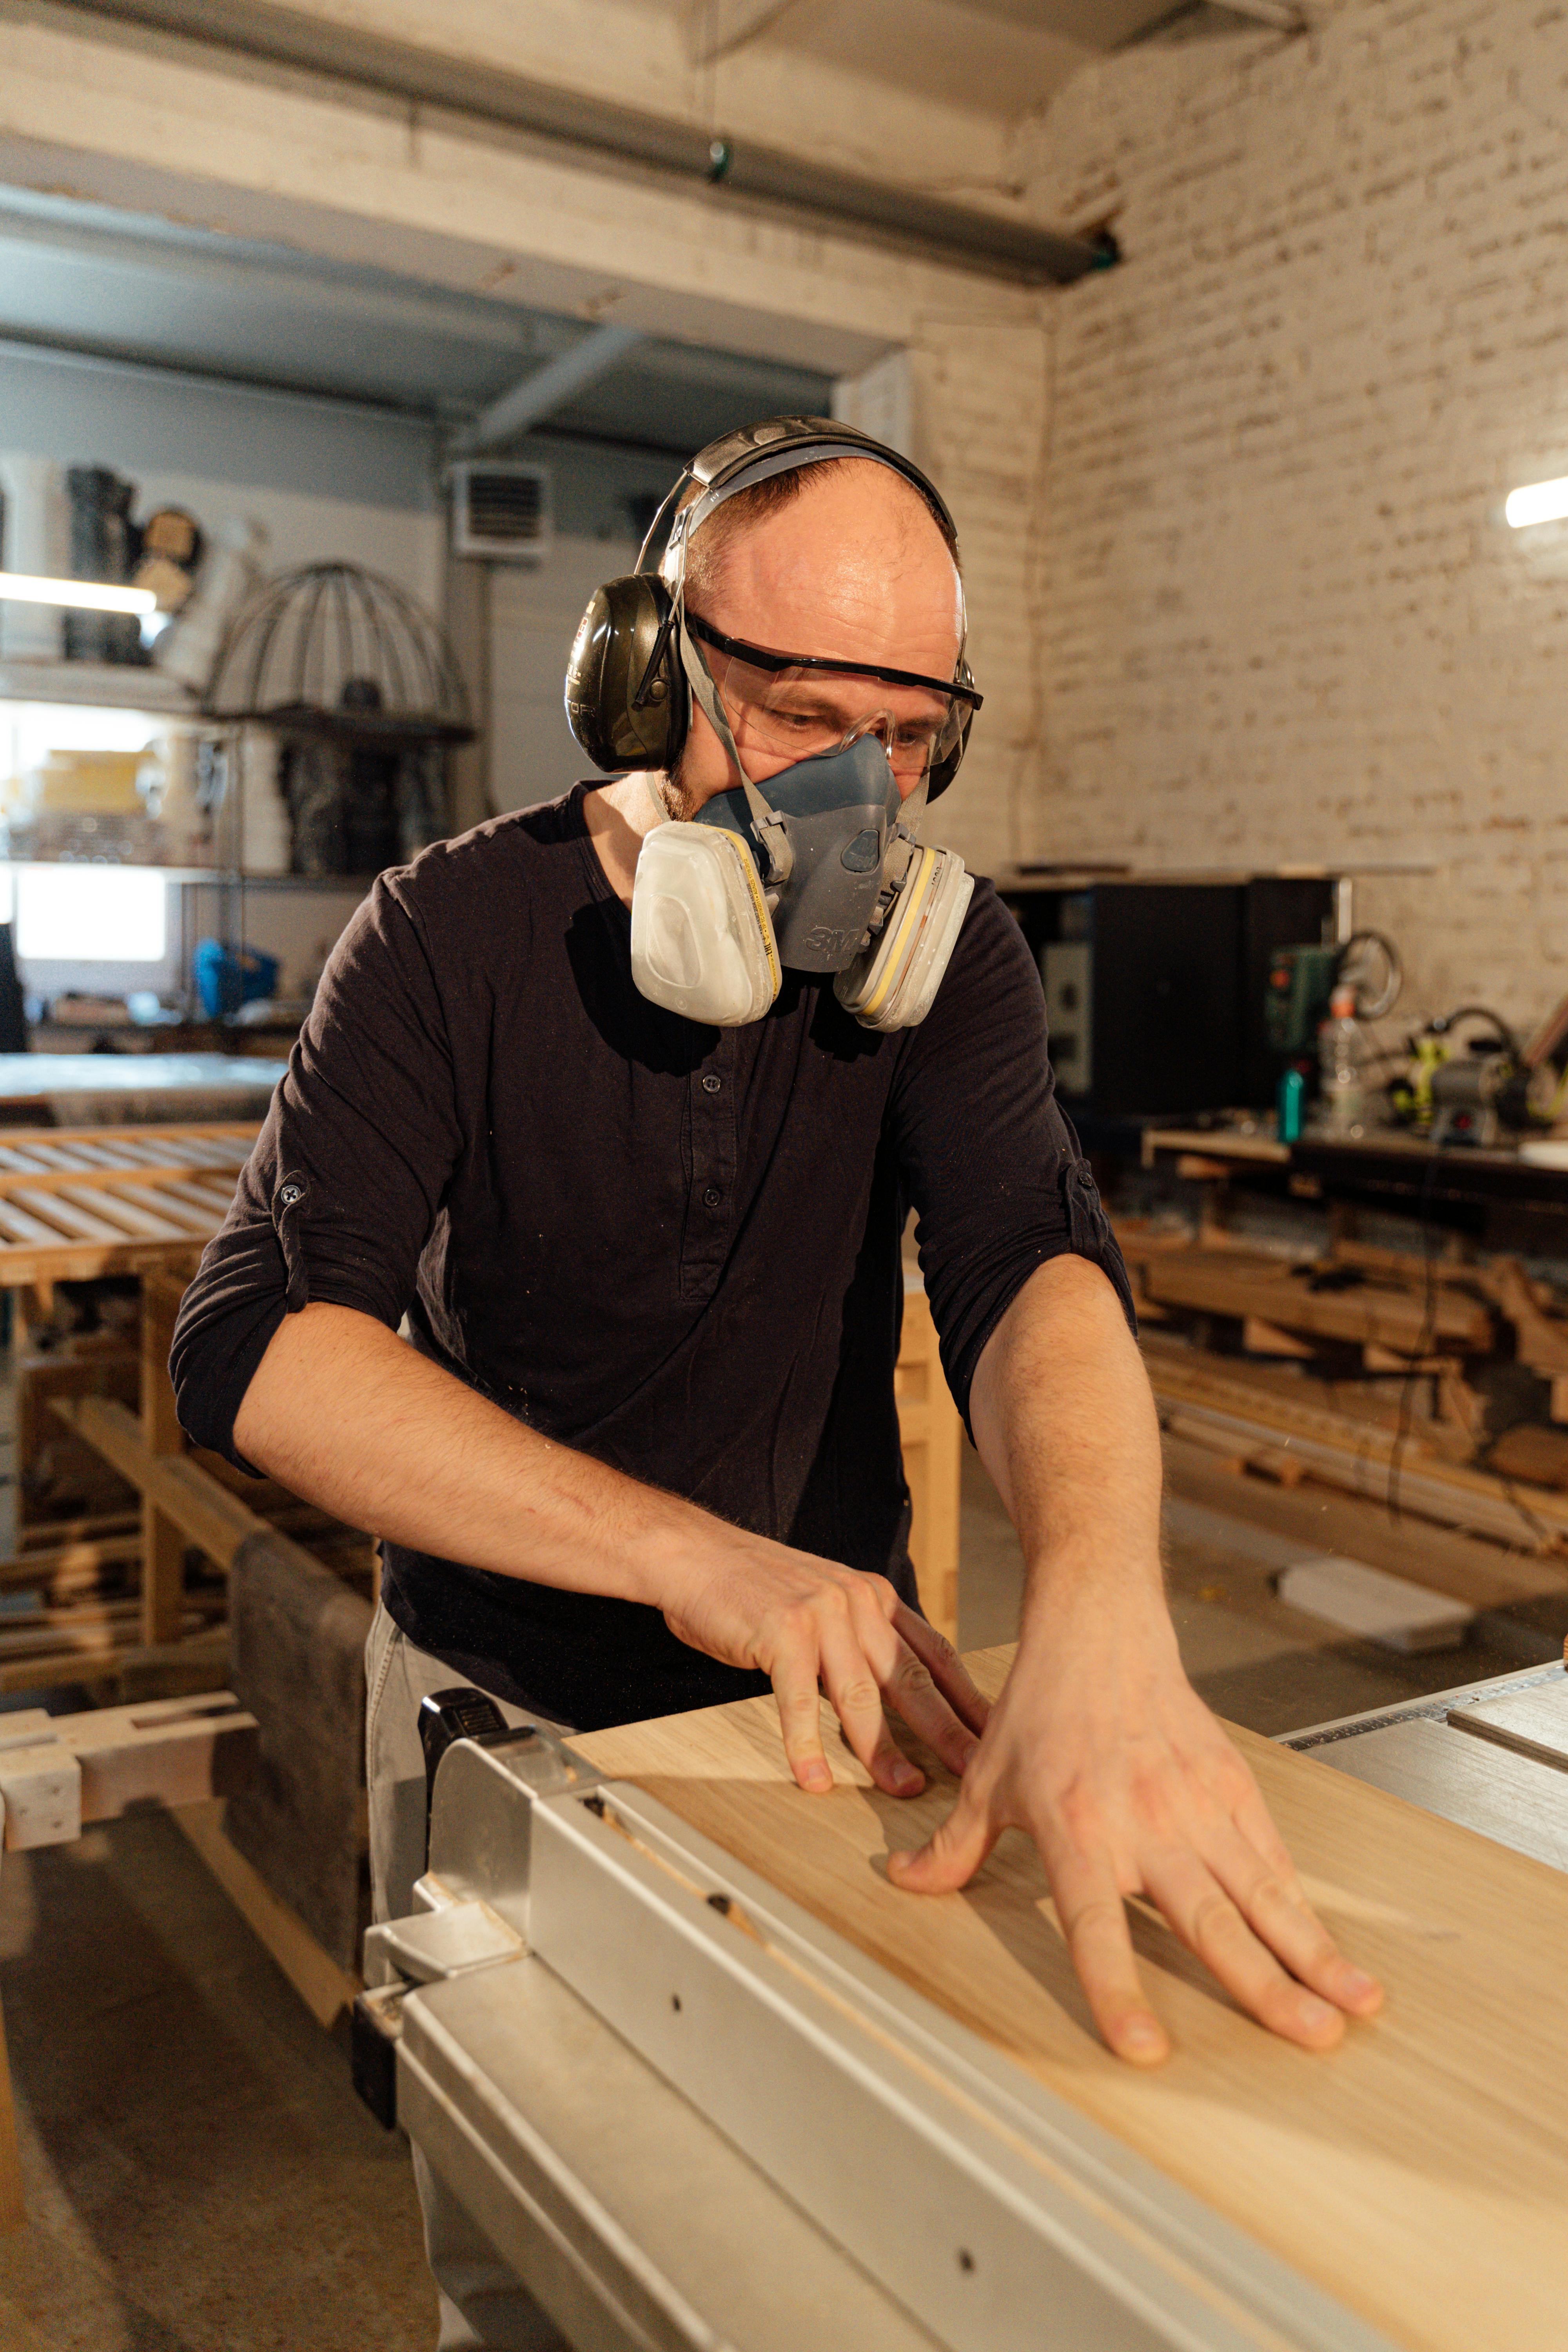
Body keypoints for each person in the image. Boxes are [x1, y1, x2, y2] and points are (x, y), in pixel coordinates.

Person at [170, 418, 1381, 2350]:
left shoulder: (941, 952)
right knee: (513, 2228)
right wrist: (695, 1559)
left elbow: (1025, 1265)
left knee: (796, 2252)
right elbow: (256, 1349)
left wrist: (1099, 1596)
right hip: (504, 1697)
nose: (849, 787)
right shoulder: (443, 939)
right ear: (644, 672)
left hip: (828, 1722)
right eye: (794, 709)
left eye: (906, 735)